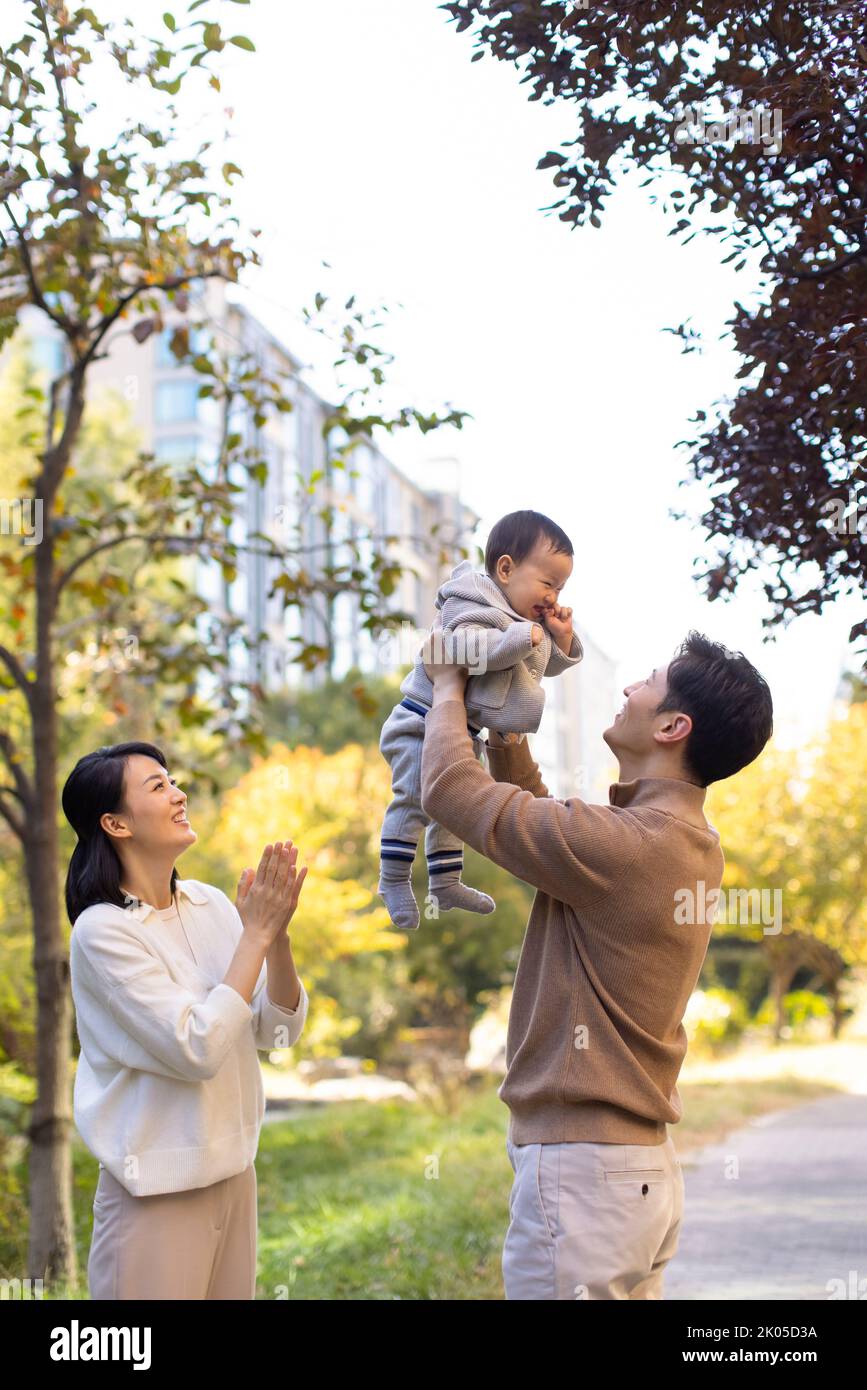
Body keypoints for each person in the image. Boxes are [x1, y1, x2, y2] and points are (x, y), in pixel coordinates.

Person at [419, 619, 773, 1299]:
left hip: (586, 1183)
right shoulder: (678, 839)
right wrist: (507, 728)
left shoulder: (628, 846)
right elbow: (548, 828)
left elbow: (449, 792)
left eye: (650, 683)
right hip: (628, 1179)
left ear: (672, 726)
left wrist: (446, 686)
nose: (630, 687)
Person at [62, 740, 309, 1300]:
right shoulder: (104, 931)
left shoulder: (211, 904)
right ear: (115, 824)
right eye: (158, 787)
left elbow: (277, 1032)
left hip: (235, 1178)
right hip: (155, 1196)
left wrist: (276, 939)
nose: (179, 794)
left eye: (172, 781)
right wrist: (256, 935)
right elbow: (196, 1047)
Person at [378, 509, 583, 930]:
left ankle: (446, 882)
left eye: (560, 588)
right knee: (417, 799)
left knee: (453, 808)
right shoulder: (472, 600)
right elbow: (468, 649)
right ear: (506, 569)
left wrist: (558, 642)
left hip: (457, 728)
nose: (554, 597)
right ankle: (393, 878)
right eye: (548, 583)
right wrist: (519, 637)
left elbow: (533, 666)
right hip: (419, 722)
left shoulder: (519, 622)